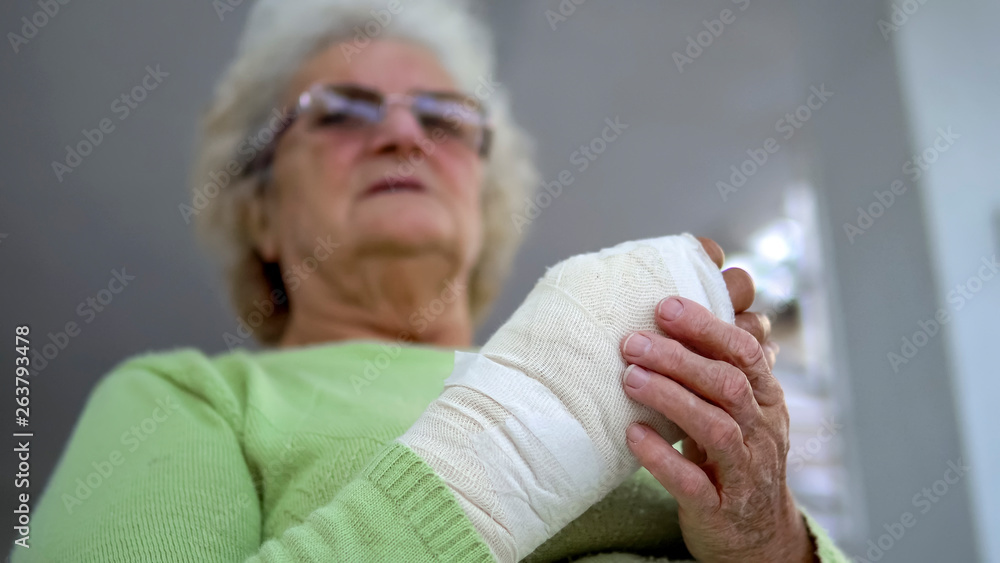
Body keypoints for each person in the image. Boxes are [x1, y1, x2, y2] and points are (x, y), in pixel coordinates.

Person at [15, 0, 850, 561]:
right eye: (340, 112)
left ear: (480, 205)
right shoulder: (193, 393)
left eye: (445, 119)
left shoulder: (642, 385)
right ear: (260, 210)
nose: (403, 136)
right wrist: (498, 458)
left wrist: (771, 535)